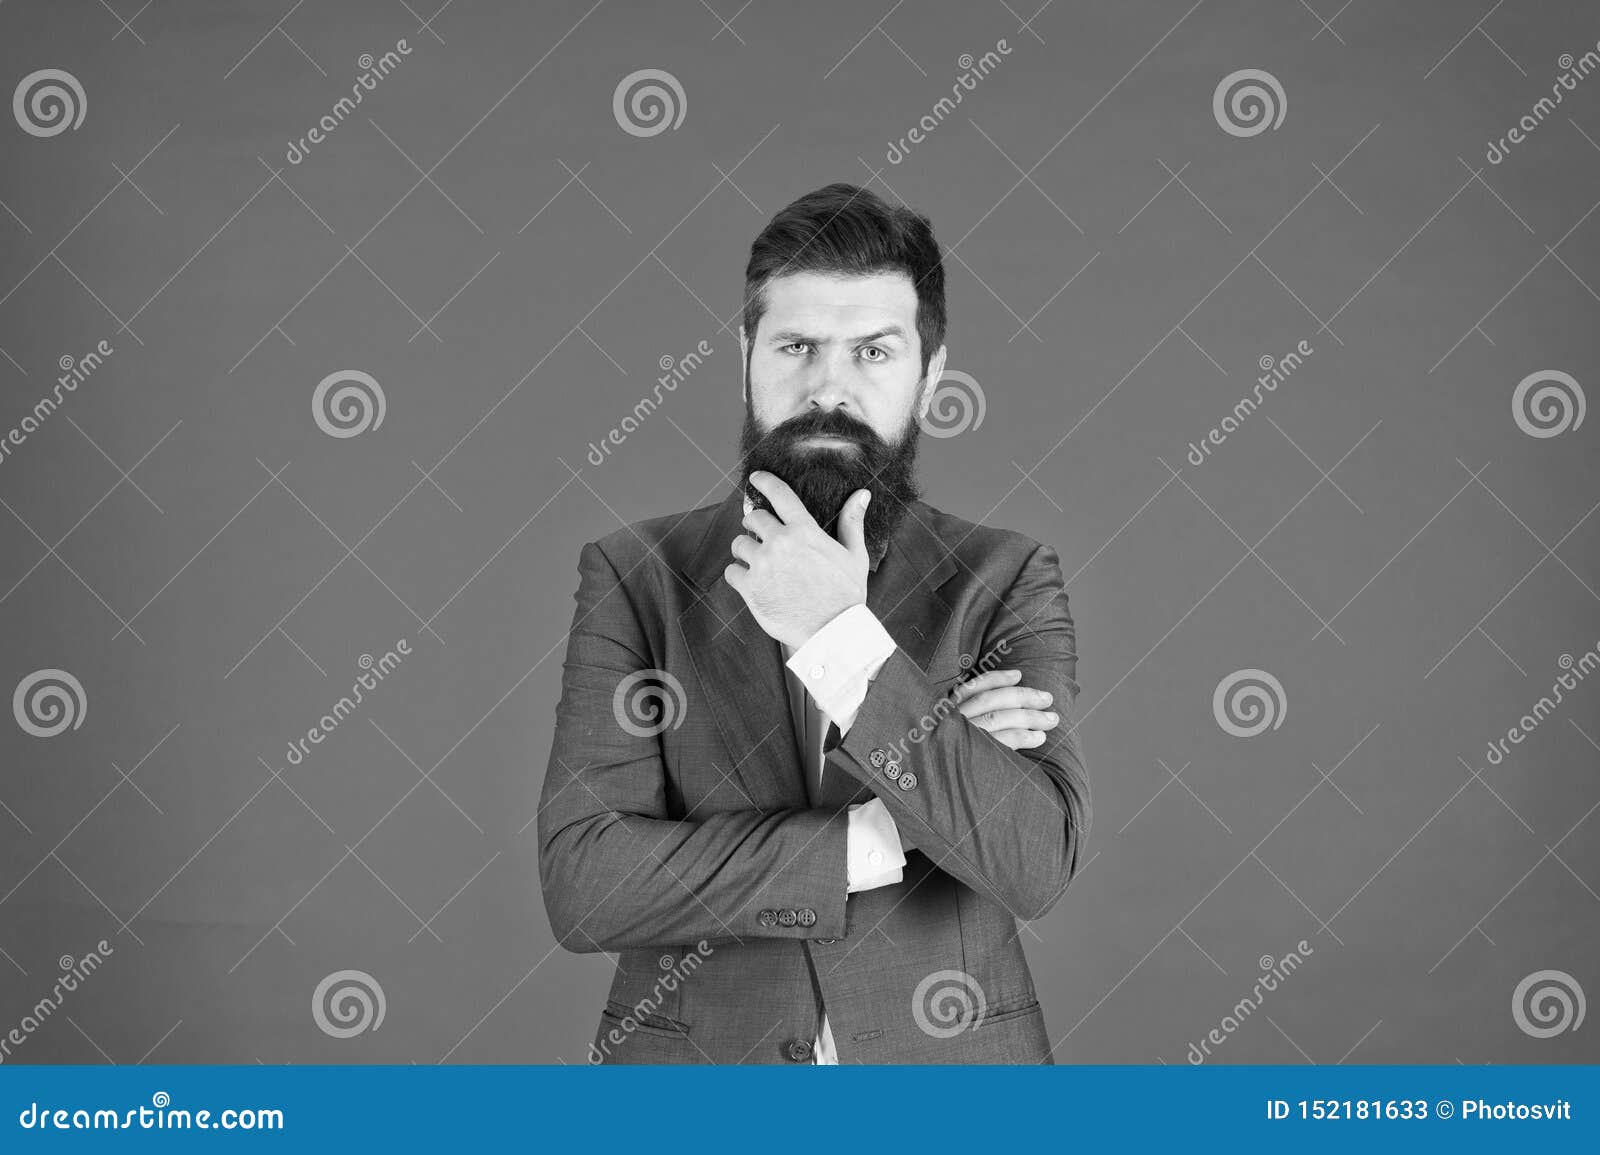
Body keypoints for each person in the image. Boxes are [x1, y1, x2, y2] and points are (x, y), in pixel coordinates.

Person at [537, 182, 1089, 1063]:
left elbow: (1031, 859)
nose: (829, 386)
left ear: (931, 376)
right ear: (746, 357)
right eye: (797, 345)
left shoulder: (1004, 577)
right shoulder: (637, 576)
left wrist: (839, 634)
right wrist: (891, 827)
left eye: (874, 350)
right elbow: (587, 887)